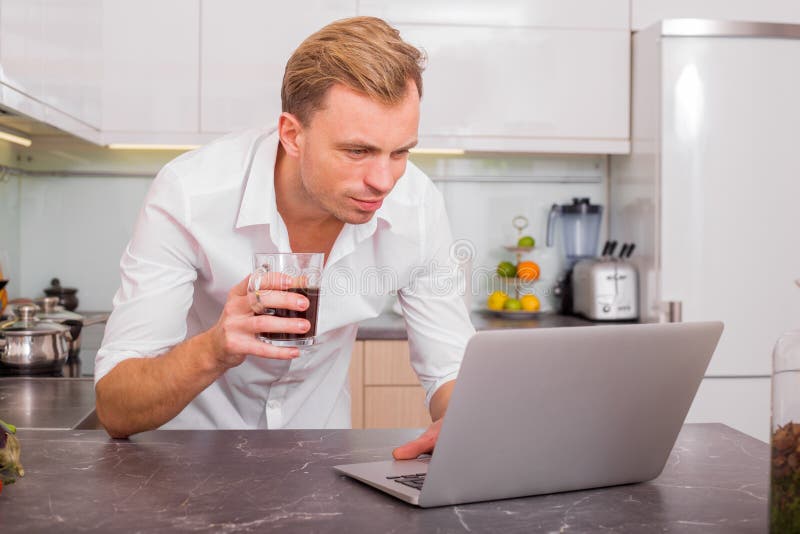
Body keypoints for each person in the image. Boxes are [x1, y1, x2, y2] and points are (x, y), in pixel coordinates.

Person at [94, 16, 475, 460]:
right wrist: (215, 348)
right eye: (357, 151)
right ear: (293, 135)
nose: (383, 180)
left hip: (321, 463)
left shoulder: (418, 207)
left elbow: (449, 368)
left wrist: (464, 420)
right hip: (185, 460)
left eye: (401, 152)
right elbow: (115, 407)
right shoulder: (190, 194)